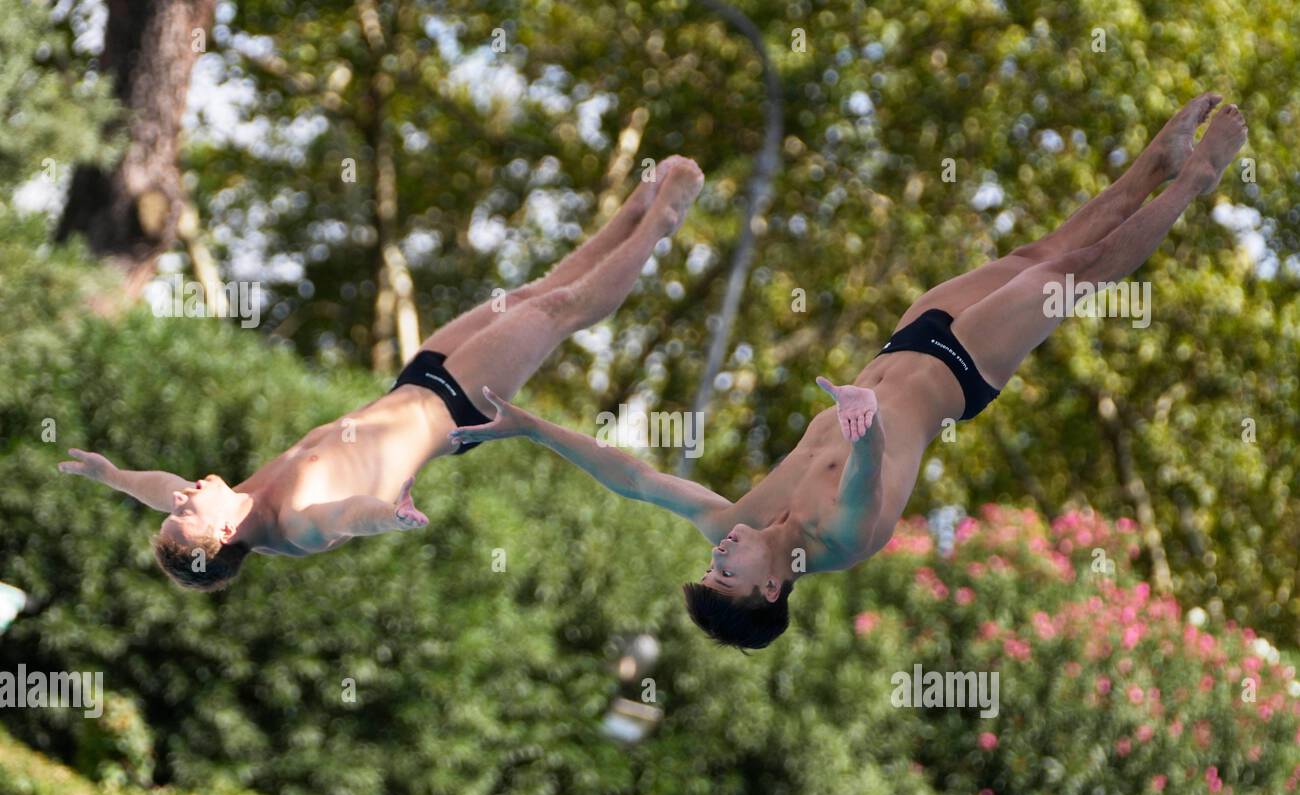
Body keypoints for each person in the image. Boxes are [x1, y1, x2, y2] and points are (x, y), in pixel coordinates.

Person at [449, 95, 1247, 650]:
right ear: (768, 589)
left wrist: (528, 426)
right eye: (724, 575)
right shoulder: (838, 540)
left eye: (710, 564)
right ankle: (1195, 180)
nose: (719, 555)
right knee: (1079, 272)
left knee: (1035, 253)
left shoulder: (742, 517)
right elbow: (867, 477)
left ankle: (1151, 165)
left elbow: (633, 477)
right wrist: (863, 426)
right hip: (961, 372)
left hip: (909, 340)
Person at [57, 158, 706, 590]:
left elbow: (163, 490)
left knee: (533, 292)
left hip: (417, 379)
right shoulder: (292, 524)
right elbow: (347, 516)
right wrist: (389, 515)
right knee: (561, 310)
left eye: (172, 506)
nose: (179, 496)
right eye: (185, 512)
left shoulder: (237, 503)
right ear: (222, 534)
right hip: (456, 409)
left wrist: (112, 477)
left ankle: (631, 213)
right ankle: (660, 225)